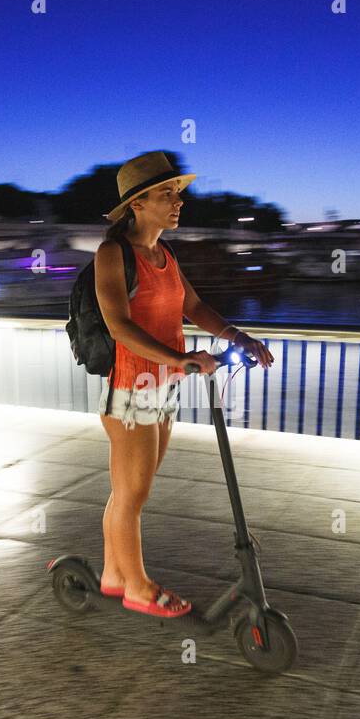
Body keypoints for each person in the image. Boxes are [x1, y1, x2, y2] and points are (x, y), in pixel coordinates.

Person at [93, 151, 274, 617]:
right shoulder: (113, 253)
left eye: (179, 193)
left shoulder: (164, 255)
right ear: (137, 204)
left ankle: (115, 573)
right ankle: (136, 586)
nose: (178, 202)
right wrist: (182, 358)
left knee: (132, 489)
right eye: (166, 194)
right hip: (132, 390)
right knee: (132, 494)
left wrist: (238, 336)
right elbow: (119, 326)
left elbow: (193, 307)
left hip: (165, 386)